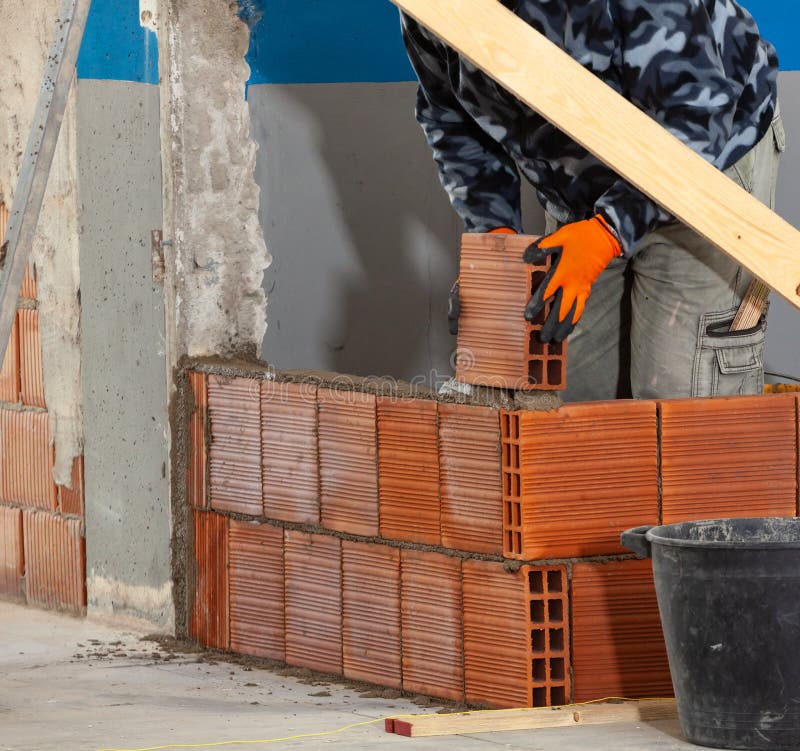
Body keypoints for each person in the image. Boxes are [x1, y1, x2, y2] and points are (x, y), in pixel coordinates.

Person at [401, 0, 785, 401]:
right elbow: (450, 114)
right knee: (572, 397)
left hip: (705, 158)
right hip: (576, 187)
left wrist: (609, 231)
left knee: (679, 399)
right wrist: (495, 238)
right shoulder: (429, 6)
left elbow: (697, 112)